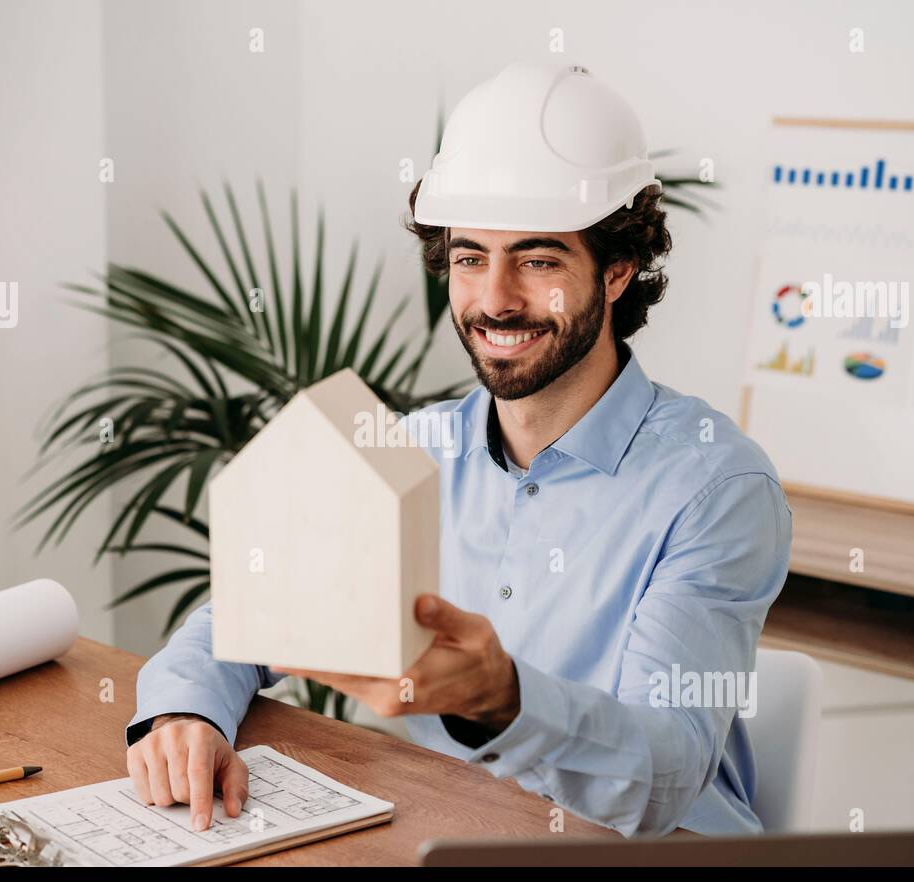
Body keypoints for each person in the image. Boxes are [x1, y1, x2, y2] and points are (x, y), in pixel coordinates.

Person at [125, 59, 792, 838]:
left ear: (617, 272)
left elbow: (665, 775)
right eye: (471, 257)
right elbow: (244, 613)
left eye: (539, 260)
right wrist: (183, 712)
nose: (496, 298)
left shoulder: (716, 486)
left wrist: (503, 701)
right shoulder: (413, 451)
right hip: (452, 828)